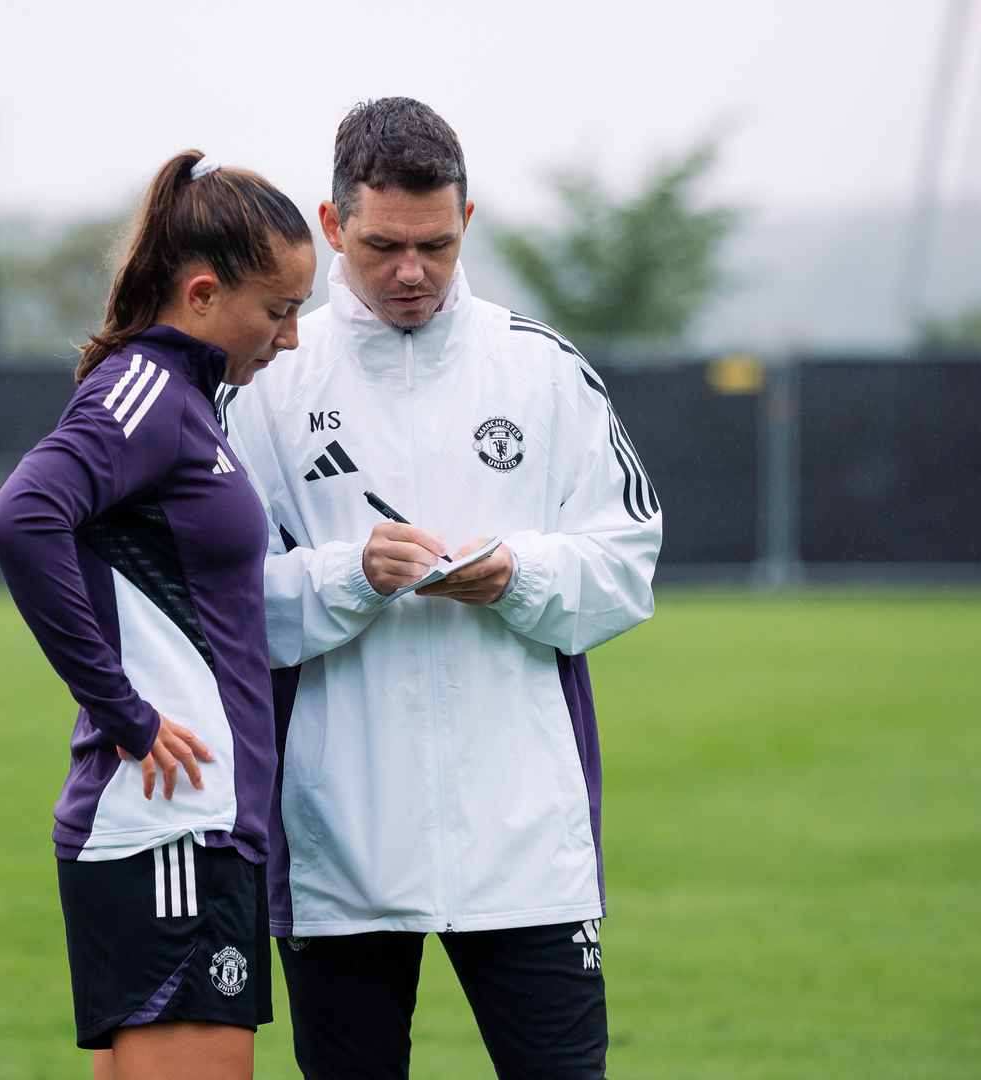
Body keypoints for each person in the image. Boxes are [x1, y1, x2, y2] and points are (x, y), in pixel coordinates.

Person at [218, 98, 662, 1077]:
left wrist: (517, 574)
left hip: (526, 846)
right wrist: (350, 576)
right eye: (382, 246)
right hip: (339, 841)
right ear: (333, 227)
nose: (411, 271)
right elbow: (218, 604)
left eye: (435, 243)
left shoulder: (542, 372)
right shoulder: (265, 386)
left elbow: (627, 562)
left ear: (468, 220)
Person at [0, 150, 314, 1080]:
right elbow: (22, 515)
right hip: (173, 827)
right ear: (203, 294)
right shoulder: (149, 393)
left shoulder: (193, 407)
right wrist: (124, 711)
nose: (289, 340)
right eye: (279, 311)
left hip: (203, 828)